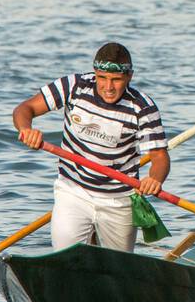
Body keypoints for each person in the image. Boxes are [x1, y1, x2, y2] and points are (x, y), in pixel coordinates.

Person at [14, 43, 169, 251]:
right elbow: (26, 108)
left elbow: (159, 156)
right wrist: (26, 129)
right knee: (65, 257)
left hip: (118, 199)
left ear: (129, 77)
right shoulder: (74, 85)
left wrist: (154, 179)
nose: (108, 87)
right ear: (95, 73)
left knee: (118, 267)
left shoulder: (143, 107)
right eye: (102, 78)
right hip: (73, 191)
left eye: (116, 80)